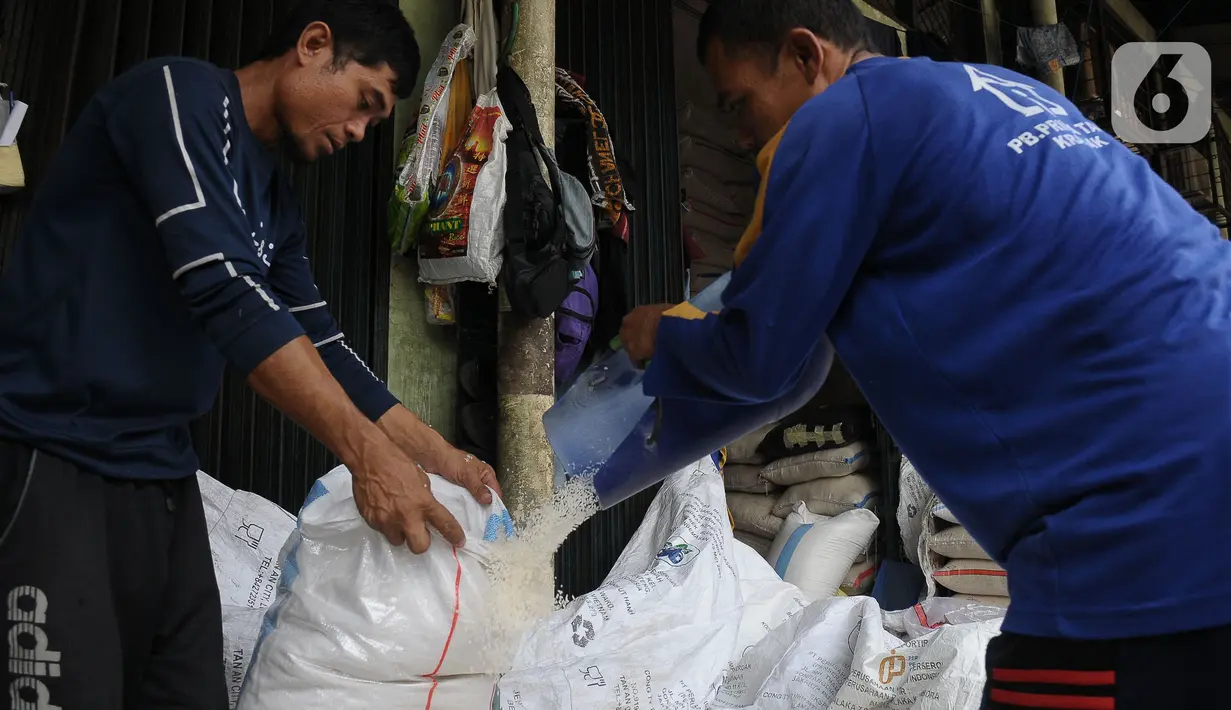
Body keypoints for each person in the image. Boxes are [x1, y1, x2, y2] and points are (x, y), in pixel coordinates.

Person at [621, 1, 1231, 708]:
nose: (737, 131)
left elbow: (760, 357)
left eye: (737, 103)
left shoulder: (840, 119)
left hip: (1140, 525)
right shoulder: (1003, 95)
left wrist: (659, 335)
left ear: (802, 54)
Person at [0, 1, 500, 707]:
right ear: (314, 44)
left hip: (162, 476)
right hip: (54, 458)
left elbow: (325, 349)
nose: (357, 132)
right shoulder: (177, 98)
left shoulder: (275, 203)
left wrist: (439, 457)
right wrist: (367, 457)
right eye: (363, 103)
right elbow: (221, 287)